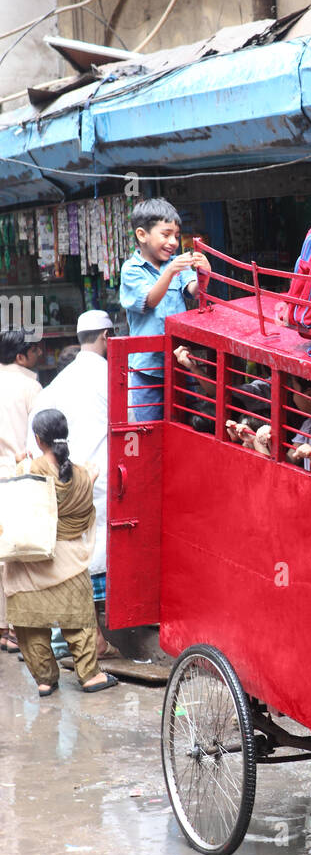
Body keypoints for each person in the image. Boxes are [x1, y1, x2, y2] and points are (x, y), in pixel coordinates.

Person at [2, 408, 118, 697]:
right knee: (80, 622)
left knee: (30, 626)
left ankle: (44, 679)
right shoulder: (82, 475)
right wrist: (90, 481)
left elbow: (18, 509)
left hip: (30, 564)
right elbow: (82, 513)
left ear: (38, 439)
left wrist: (20, 464)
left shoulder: (27, 471)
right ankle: (90, 675)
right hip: (69, 563)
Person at [27, 311, 118, 660]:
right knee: (86, 565)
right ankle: (79, 646)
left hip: (63, 484)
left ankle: (63, 640)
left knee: (69, 562)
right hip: (97, 483)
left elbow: (32, 438)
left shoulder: (58, 383)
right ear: (107, 337)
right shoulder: (110, 377)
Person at [119, 198, 210, 423]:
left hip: (179, 362)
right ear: (142, 235)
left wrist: (205, 273)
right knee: (151, 431)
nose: (173, 242)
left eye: (176, 236)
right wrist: (170, 272)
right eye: (166, 234)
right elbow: (149, 300)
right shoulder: (131, 269)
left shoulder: (176, 265)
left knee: (190, 426)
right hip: (147, 370)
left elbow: (195, 290)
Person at [0, 326, 44, 653]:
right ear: (20, 356)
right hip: (16, 478)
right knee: (14, 554)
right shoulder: (31, 387)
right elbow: (38, 440)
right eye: (35, 350)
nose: (39, 354)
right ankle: (13, 629)